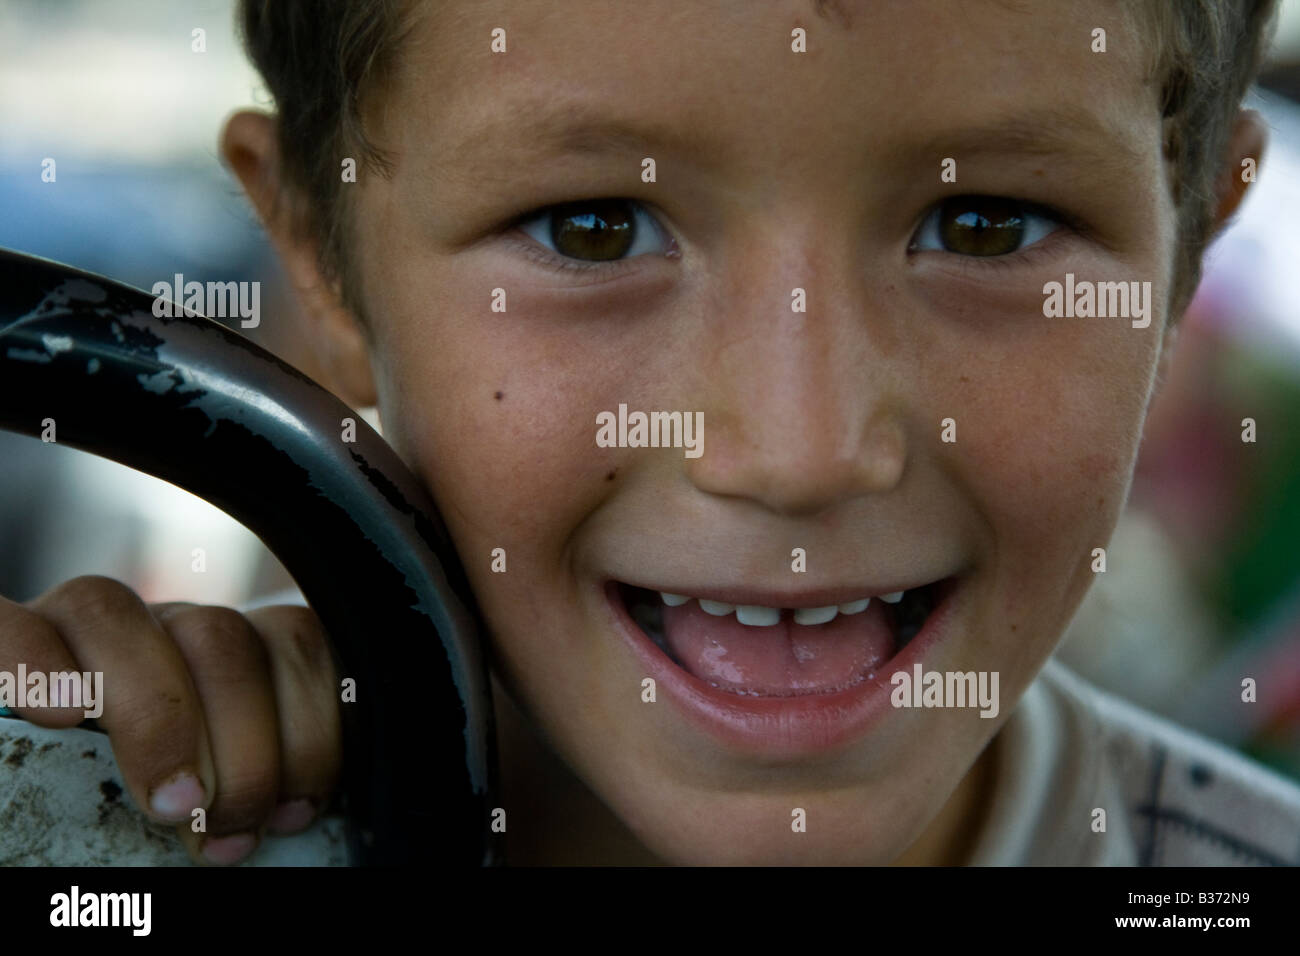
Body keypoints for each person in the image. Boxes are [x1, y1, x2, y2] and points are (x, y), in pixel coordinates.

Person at [2, 0, 1297, 865]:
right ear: (319, 258)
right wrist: (73, 807)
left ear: (1192, 246)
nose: (799, 449)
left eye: (986, 226)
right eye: (594, 229)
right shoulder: (138, 822)